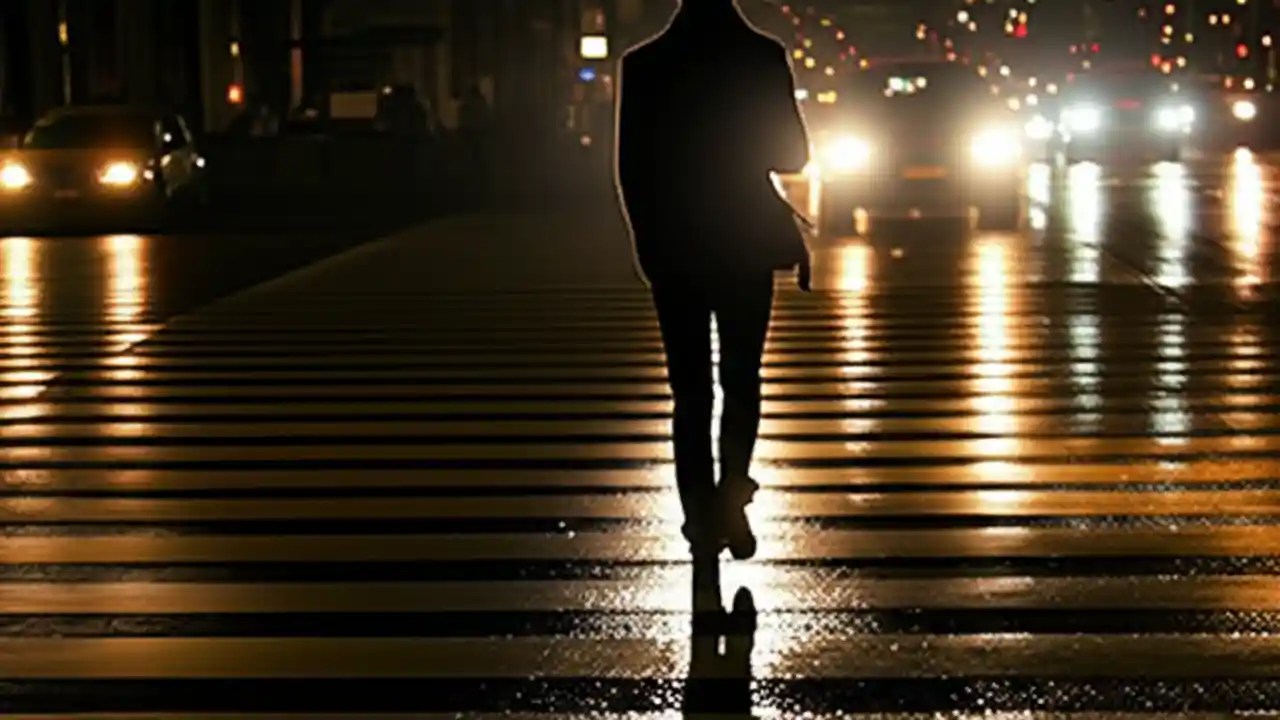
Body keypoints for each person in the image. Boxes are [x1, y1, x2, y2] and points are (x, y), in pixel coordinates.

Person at [614, 0, 812, 563]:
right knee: (742, 377)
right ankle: (733, 492)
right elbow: (793, 154)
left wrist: (647, 242)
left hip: (674, 244)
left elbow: (631, 169)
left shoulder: (644, 64)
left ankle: (700, 511)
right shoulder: (761, 56)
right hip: (745, 237)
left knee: (691, 390)